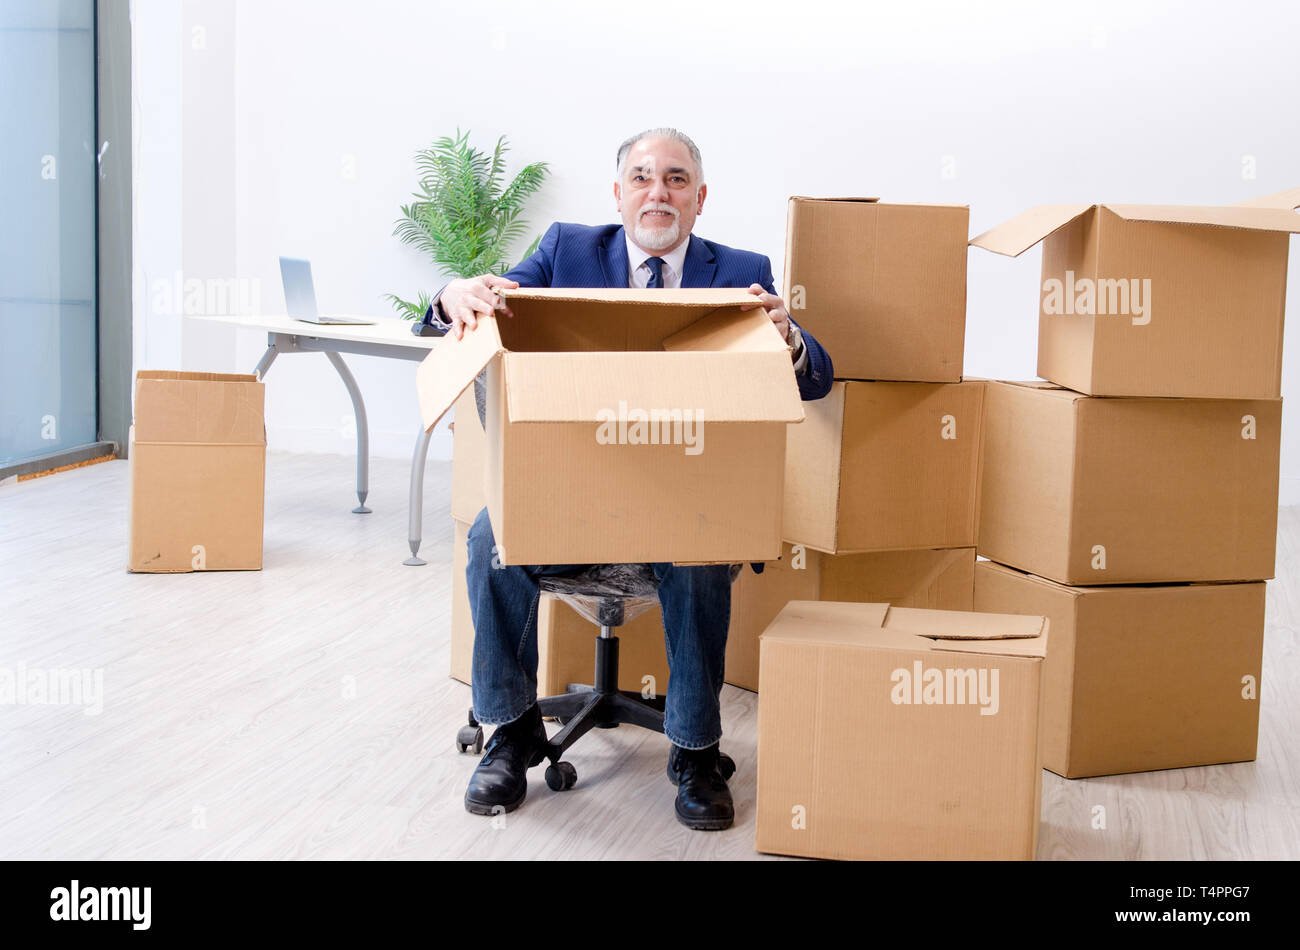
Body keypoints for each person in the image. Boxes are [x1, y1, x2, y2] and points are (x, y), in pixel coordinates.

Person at [427, 127, 833, 831]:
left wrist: (789, 336)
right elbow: (484, 313)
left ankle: (695, 752)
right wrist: (451, 295)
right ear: (618, 193)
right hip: (573, 501)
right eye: (642, 177)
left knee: (706, 552)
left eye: (676, 179)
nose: (658, 192)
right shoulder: (564, 251)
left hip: (682, 505)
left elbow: (820, 377)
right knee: (494, 537)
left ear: (699, 199)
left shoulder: (740, 270)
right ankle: (510, 733)